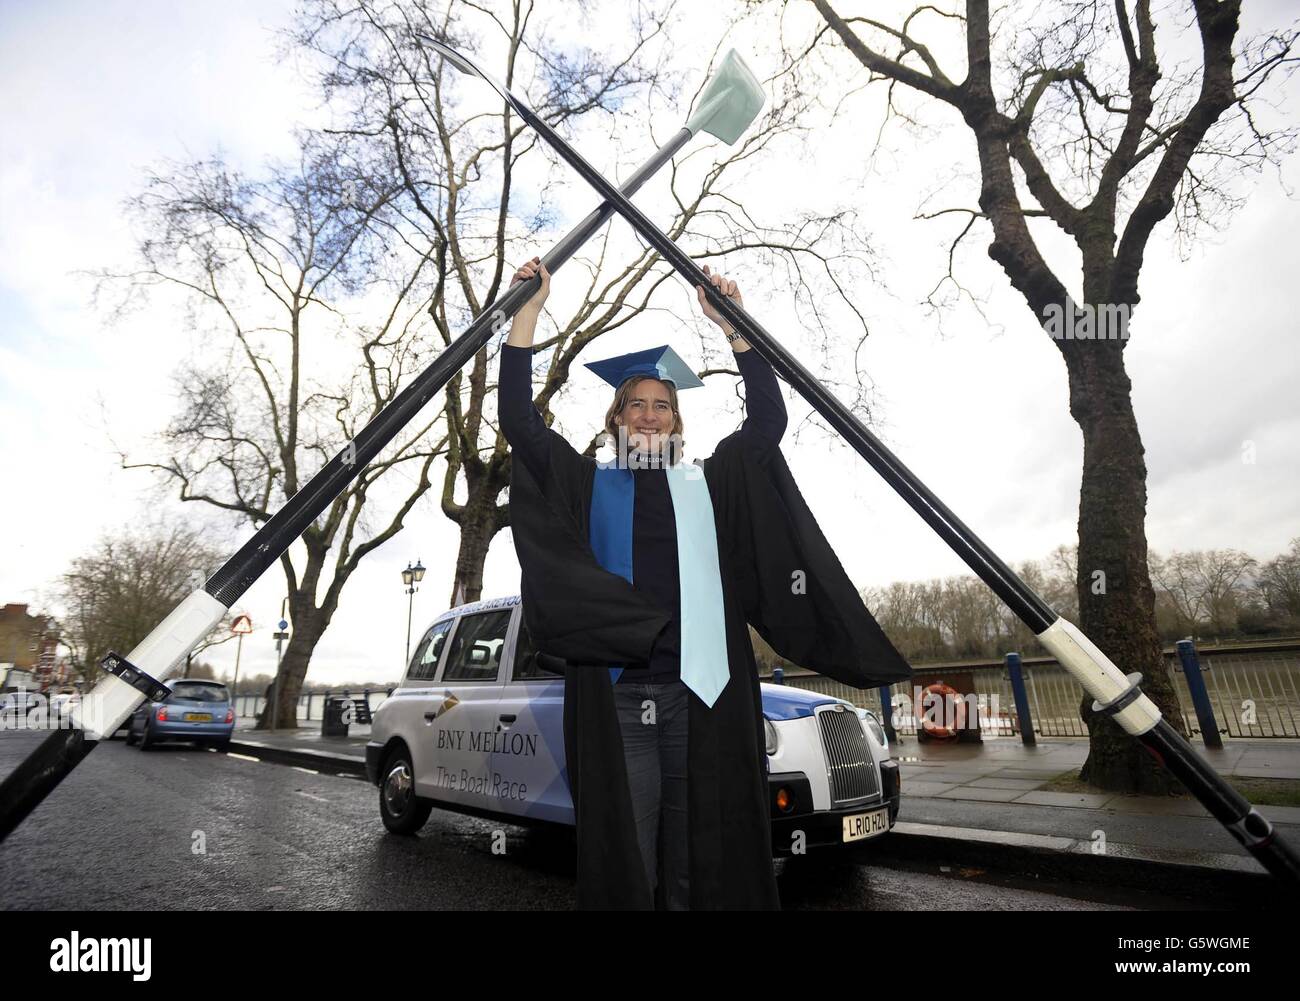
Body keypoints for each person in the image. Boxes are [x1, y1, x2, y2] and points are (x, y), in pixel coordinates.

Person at [500, 255, 910, 910]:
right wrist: (528, 312)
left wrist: (735, 329)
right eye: (635, 404)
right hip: (619, 701)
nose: (650, 414)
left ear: (677, 422)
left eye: (663, 405)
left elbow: (766, 427)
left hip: (702, 696)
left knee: (702, 856)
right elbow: (521, 425)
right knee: (629, 856)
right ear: (616, 419)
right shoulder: (587, 485)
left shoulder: (710, 485)